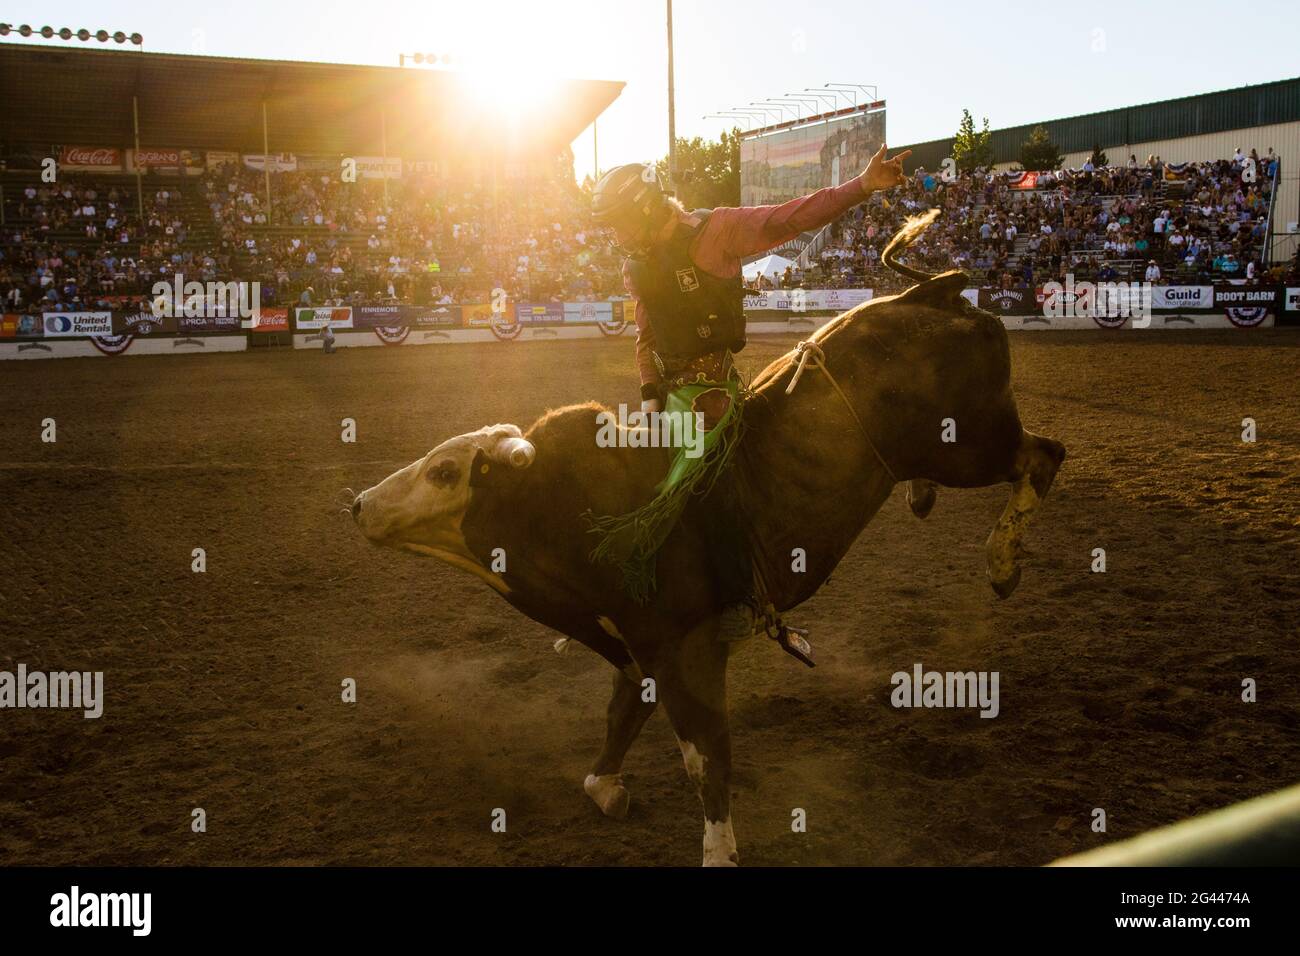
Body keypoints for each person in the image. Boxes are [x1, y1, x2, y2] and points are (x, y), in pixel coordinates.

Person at [589, 144, 911, 639]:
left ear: (649, 207)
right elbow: (646, 338)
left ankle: (742, 598)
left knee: (691, 486)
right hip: (670, 398)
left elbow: (789, 218)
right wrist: (650, 396)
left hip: (715, 392)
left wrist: (861, 186)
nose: (616, 235)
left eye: (620, 222)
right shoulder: (637, 266)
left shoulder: (716, 230)